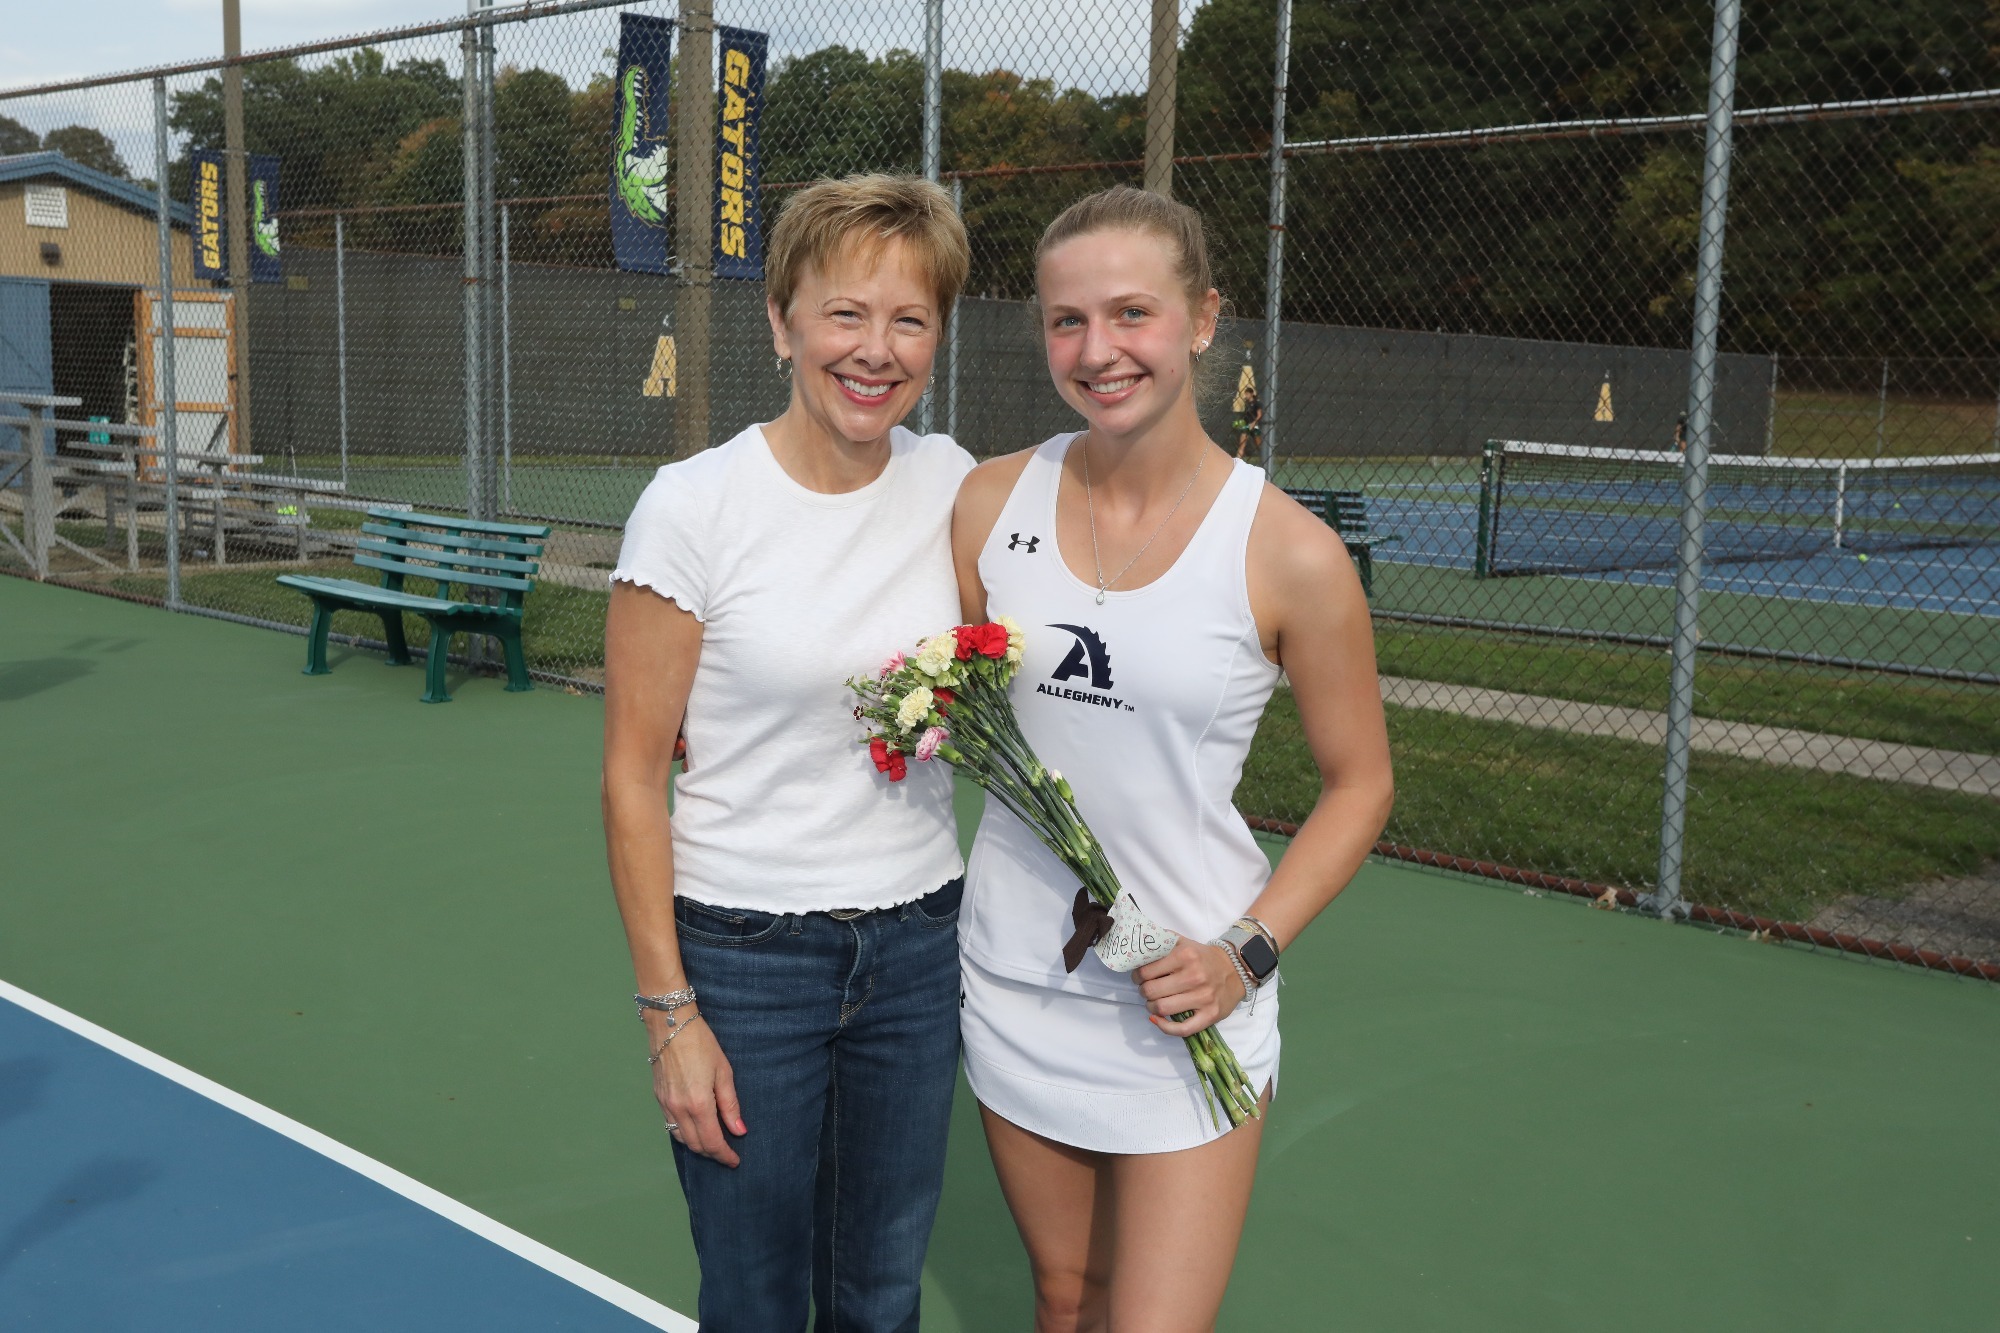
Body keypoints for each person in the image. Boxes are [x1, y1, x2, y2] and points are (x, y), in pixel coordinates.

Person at [949, 185, 1395, 1332]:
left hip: (1185, 1000)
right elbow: (929, 681)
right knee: (1065, 1297)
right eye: (1066, 320)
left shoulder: (1290, 552)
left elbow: (1361, 784)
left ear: (1200, 320)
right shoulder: (988, 502)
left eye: (1130, 314)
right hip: (1016, 977)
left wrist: (1244, 952)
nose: (1097, 350)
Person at [602, 173, 973, 1333]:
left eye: (908, 319)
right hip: (746, 959)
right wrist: (670, 1014)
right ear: (780, 322)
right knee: (755, 1301)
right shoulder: (692, 506)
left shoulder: (955, 485)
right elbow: (632, 775)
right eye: (844, 313)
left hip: (920, 950)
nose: (875, 350)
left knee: (879, 1298)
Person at [1232, 384, 1262, 460]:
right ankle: (1238, 460)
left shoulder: (1256, 403)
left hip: (1254, 426)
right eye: (1245, 394)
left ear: (1251, 394)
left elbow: (1259, 415)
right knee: (1242, 444)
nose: (1246, 395)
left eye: (1247, 394)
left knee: (1259, 444)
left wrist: (1253, 423)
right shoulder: (1247, 403)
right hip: (1246, 426)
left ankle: (1264, 457)